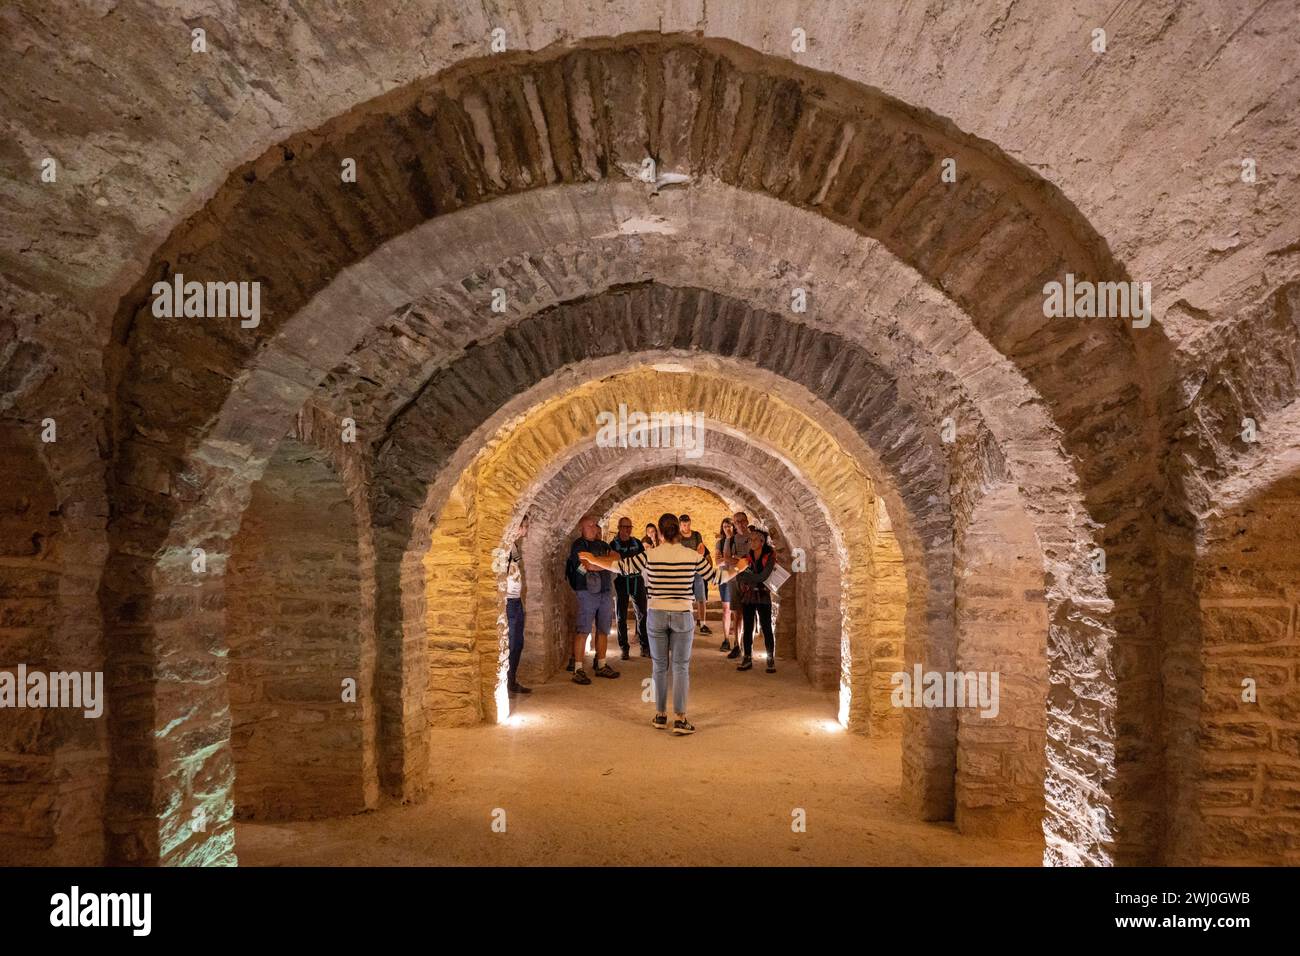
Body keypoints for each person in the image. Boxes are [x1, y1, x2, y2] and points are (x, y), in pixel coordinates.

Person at [582, 513, 747, 735]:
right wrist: (741, 567)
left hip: (657, 613)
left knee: (659, 666)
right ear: (678, 531)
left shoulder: (650, 555)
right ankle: (680, 718)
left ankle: (660, 715)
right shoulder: (691, 556)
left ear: (660, 532)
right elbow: (716, 578)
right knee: (680, 667)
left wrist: (593, 559)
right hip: (682, 615)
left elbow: (621, 566)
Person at [564, 516, 621, 684]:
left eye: (595, 525)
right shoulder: (579, 545)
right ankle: (578, 669)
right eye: (589, 525)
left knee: (603, 629)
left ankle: (601, 664)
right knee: (583, 630)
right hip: (586, 592)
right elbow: (587, 566)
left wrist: (597, 562)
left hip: (605, 591)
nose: (594, 527)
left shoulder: (603, 545)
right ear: (581, 528)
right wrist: (605, 563)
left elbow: (617, 559)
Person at [735, 527, 778, 673]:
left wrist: (747, 575)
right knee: (748, 627)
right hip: (748, 596)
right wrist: (746, 576)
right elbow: (738, 576)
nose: (752, 542)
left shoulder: (769, 556)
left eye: (755, 540)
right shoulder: (747, 556)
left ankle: (770, 658)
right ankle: (747, 657)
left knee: (766, 627)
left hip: (763, 595)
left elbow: (763, 577)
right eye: (750, 540)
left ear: (762, 541)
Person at [610, 516, 650, 660]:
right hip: (621, 581)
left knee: (642, 614)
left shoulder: (637, 543)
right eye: (625, 527)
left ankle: (645, 647)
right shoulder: (613, 545)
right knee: (621, 616)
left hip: (636, 580)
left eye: (629, 527)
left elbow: (643, 560)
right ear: (619, 528)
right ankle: (624, 648)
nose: (627, 530)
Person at [504, 513, 531, 696]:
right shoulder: (505, 546)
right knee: (513, 643)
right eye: (525, 525)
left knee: (518, 643)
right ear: (518, 526)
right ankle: (508, 682)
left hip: (516, 600)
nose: (526, 529)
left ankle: (511, 680)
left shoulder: (513, 546)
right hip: (509, 601)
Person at [723, 511, 754, 659]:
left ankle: (748, 646)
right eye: (737, 522)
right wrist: (743, 561)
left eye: (742, 521)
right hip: (734, 580)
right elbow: (727, 559)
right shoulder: (730, 541)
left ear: (747, 521)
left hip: (750, 581)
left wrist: (740, 559)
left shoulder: (754, 538)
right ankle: (737, 644)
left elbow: (756, 557)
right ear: (734, 524)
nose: (740, 524)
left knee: (749, 614)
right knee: (737, 613)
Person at [678, 514, 711, 635]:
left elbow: (701, 551)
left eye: (687, 524)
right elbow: (678, 553)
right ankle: (685, 624)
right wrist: (693, 555)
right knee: (684, 599)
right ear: (680, 524)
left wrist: (689, 556)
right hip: (683, 572)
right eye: (683, 525)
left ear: (690, 523)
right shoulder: (677, 537)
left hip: (697, 571)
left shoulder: (697, 535)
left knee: (701, 598)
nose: (686, 527)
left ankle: (703, 624)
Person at [715, 517, 737, 653]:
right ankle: (726, 639)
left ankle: (737, 641)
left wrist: (727, 559)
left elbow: (742, 560)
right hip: (724, 578)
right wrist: (732, 559)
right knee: (726, 609)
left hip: (737, 578)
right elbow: (718, 563)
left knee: (737, 610)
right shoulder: (720, 542)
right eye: (724, 527)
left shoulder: (738, 540)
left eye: (729, 526)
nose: (727, 529)